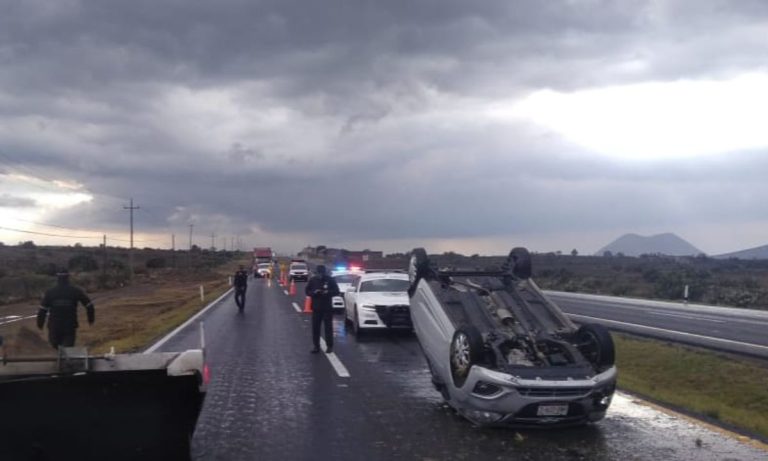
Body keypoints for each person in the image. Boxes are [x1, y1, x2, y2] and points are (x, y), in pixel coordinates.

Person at [37, 269, 95, 349]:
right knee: (67, 351)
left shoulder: (50, 292)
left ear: (57, 278)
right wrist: (91, 319)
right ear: (68, 277)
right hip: (70, 326)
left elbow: (42, 310)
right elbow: (89, 306)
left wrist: (40, 324)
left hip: (54, 326)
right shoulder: (75, 291)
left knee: (55, 350)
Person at [305, 265, 340, 353]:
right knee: (315, 328)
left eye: (322, 273)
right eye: (319, 273)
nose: (320, 275)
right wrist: (314, 293)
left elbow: (336, 291)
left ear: (324, 273)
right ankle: (316, 346)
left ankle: (329, 346)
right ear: (317, 273)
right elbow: (307, 291)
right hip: (316, 308)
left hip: (327, 308)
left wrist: (327, 292)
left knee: (328, 328)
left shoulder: (330, 280)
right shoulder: (313, 280)